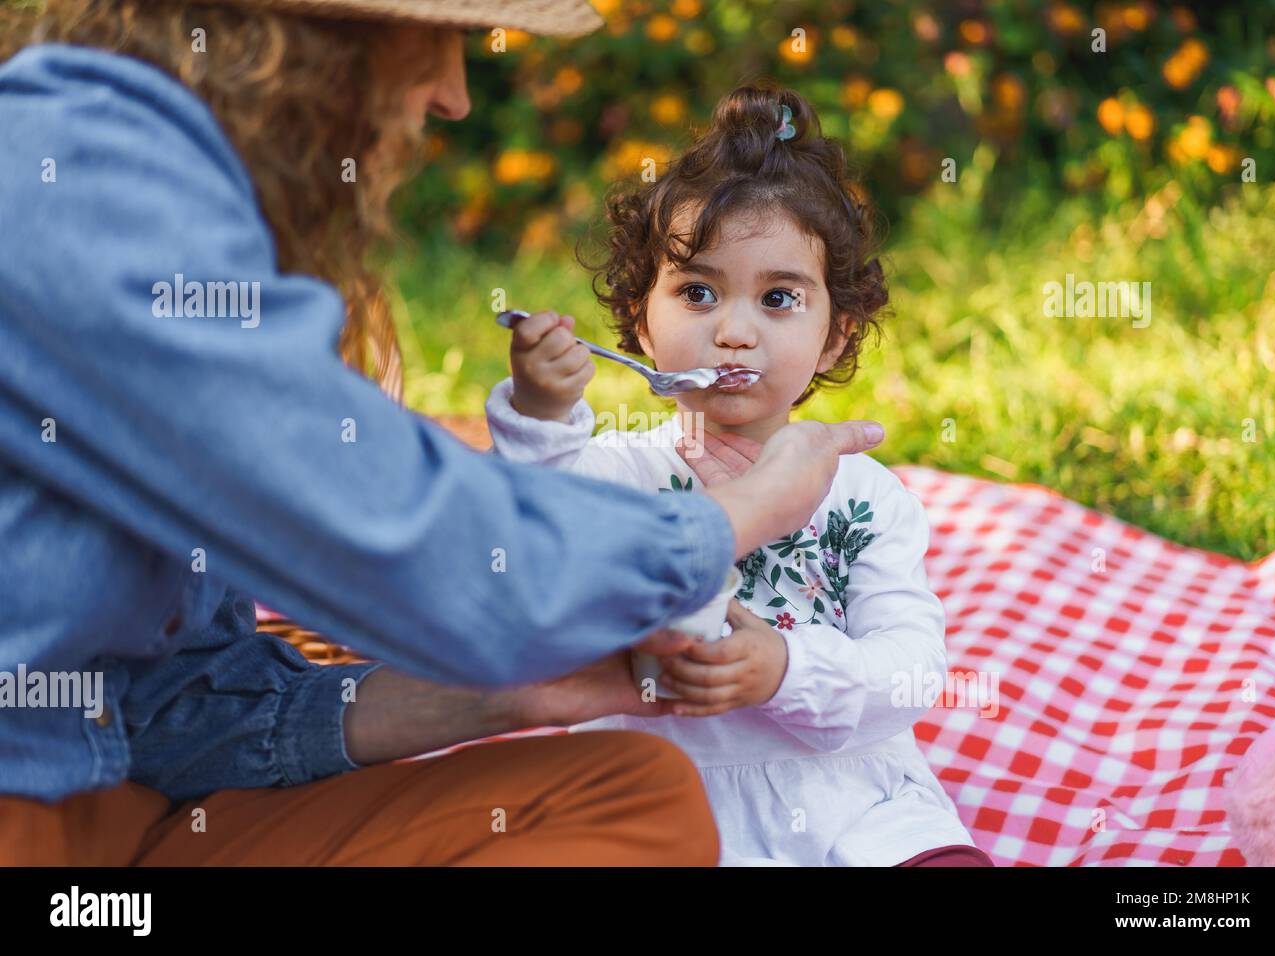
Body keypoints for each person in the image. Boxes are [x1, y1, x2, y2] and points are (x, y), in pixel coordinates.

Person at [0, 0, 885, 865]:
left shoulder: (182, 204)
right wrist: (740, 516)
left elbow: (176, 711)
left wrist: (511, 695)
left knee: (634, 796)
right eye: (440, 36)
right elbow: (402, 529)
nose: (455, 94)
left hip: (140, 806)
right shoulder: (79, 173)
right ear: (301, 32)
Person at [486, 86, 993, 866]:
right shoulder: (622, 467)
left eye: (780, 298)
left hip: (851, 802)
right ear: (640, 321)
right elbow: (529, 520)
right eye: (697, 292)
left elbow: (911, 673)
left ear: (835, 337)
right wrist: (539, 407)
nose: (733, 331)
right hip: (658, 797)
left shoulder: (865, 498)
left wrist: (786, 670)